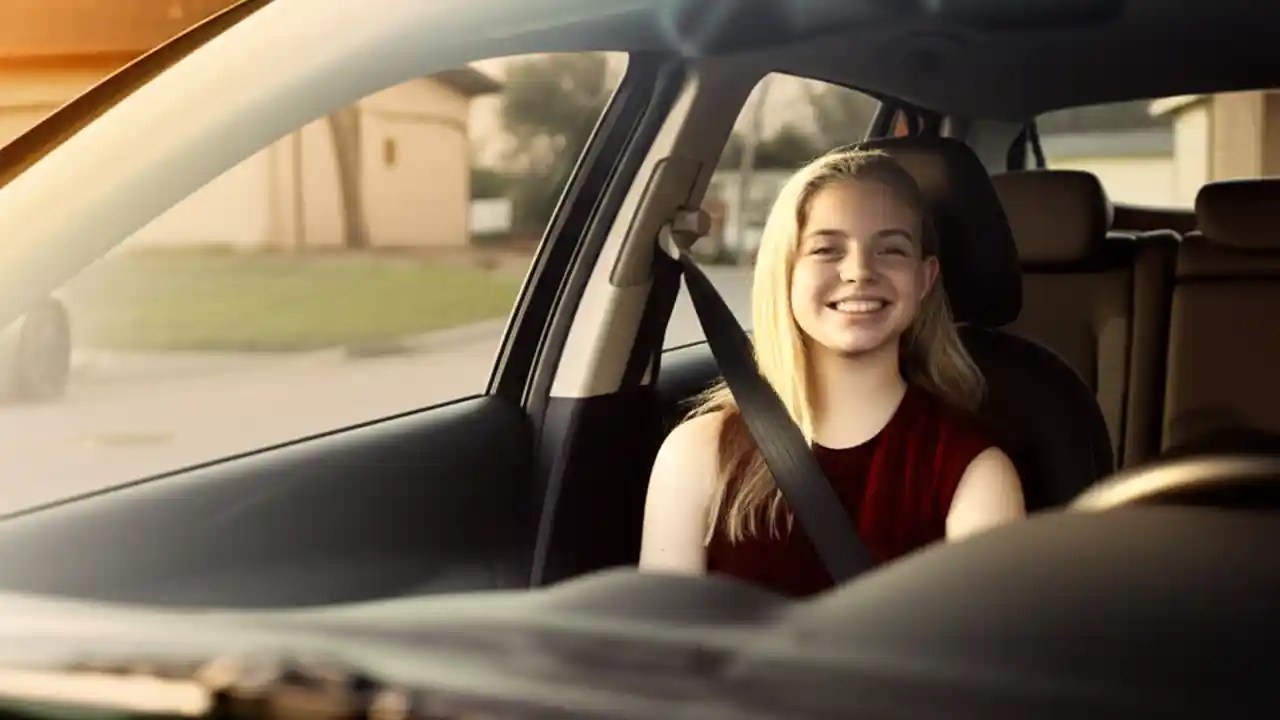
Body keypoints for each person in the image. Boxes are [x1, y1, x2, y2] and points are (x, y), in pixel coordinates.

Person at [639, 148, 1026, 597]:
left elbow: (972, 658)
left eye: (891, 249)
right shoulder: (699, 454)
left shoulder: (977, 472)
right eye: (826, 249)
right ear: (784, 274)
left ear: (924, 279)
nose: (860, 271)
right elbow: (662, 652)